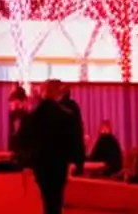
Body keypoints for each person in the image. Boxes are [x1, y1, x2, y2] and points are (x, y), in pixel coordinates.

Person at [20, 80, 83, 214]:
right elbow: (75, 141)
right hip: (59, 164)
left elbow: (23, 140)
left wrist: (27, 160)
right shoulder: (66, 116)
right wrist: (76, 161)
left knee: (46, 197)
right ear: (58, 94)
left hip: (41, 164)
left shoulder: (33, 116)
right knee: (57, 198)